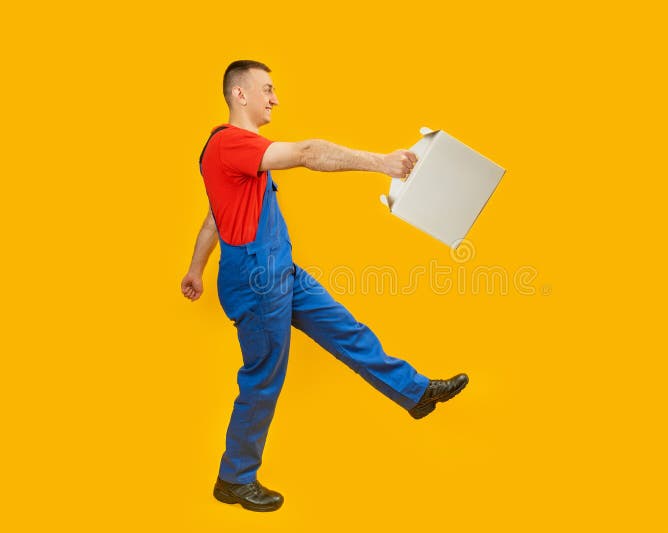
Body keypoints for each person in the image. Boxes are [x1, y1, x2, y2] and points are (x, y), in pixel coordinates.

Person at [180, 60, 469, 513]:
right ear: (240, 95)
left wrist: (195, 270)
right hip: (256, 280)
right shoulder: (231, 143)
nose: (274, 98)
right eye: (267, 89)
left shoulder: (241, 155)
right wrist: (383, 163)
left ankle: (413, 393)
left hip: (280, 270)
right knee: (264, 379)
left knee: (347, 331)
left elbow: (214, 217)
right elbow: (309, 152)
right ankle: (233, 478)